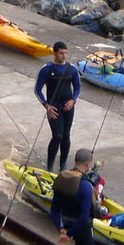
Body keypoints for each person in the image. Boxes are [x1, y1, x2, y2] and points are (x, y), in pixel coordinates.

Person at [34, 41, 81, 172]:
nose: (64, 56)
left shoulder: (71, 69)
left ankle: (63, 164)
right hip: (54, 108)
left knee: (66, 135)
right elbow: (37, 90)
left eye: (66, 53)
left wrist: (73, 100)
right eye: (61, 53)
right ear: (55, 53)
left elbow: (77, 87)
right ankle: (50, 165)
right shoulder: (46, 69)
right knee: (57, 135)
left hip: (68, 106)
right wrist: (46, 105)